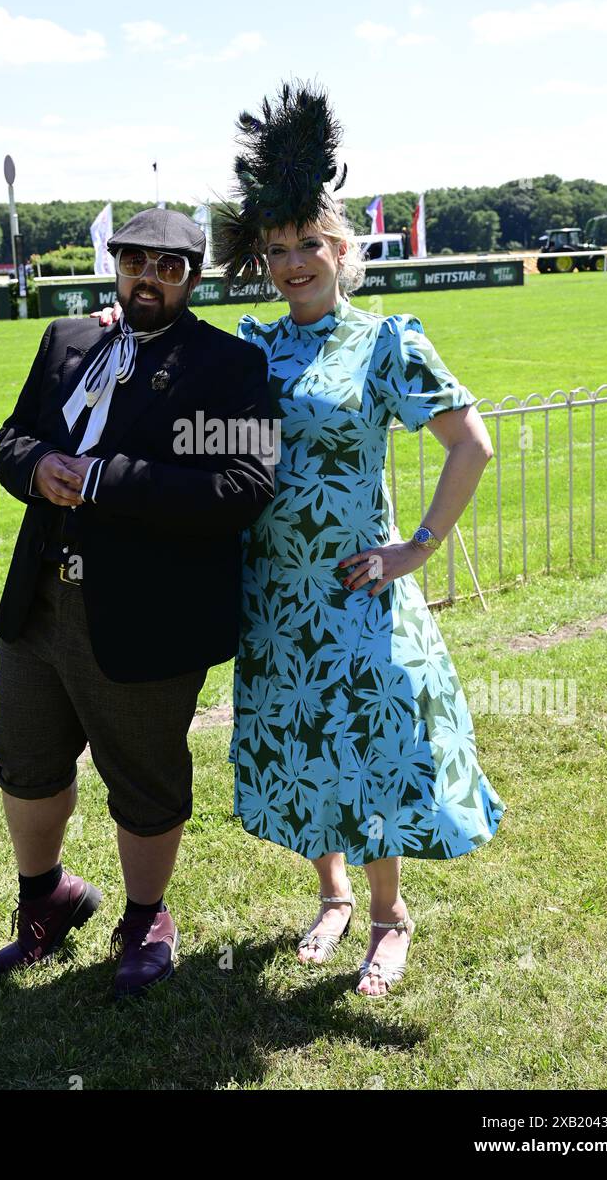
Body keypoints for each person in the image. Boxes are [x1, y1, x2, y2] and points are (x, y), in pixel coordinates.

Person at [213, 82, 507, 999]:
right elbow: (177, 382)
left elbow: (471, 443)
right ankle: (332, 893)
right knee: (304, 747)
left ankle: (389, 917)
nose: (294, 263)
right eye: (278, 250)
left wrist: (415, 547)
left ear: (342, 252)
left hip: (356, 586)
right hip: (276, 594)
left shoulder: (386, 344)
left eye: (309, 245)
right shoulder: (253, 348)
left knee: (374, 750)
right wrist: (116, 325)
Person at [0, 207, 276, 998]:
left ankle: (147, 917)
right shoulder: (68, 342)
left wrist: (102, 481)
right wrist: (38, 462)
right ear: (114, 263)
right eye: (134, 260)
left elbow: (242, 487)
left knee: (145, 782)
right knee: (24, 765)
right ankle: (46, 899)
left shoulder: (226, 366)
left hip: (148, 616)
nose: (148, 276)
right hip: (40, 602)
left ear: (194, 275)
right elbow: (10, 438)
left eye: (169, 265)